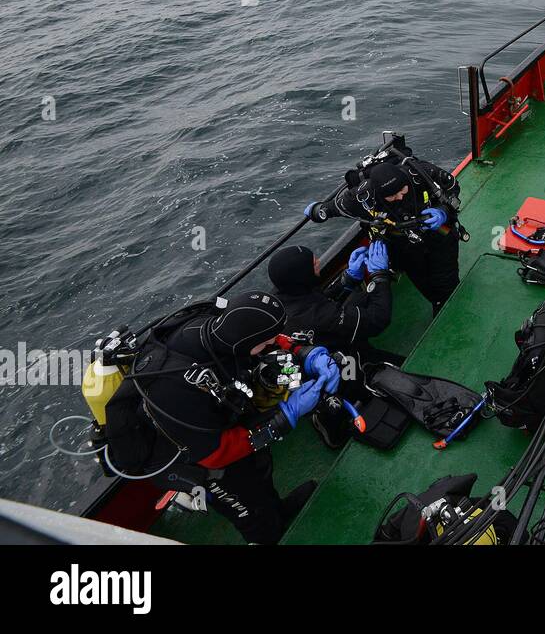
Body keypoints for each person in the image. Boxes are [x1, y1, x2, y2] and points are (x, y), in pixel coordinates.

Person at [115, 292, 339, 544]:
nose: (272, 344)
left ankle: (277, 512)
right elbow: (215, 454)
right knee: (246, 507)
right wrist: (288, 414)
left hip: (219, 419)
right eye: (266, 343)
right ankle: (266, 537)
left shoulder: (221, 326)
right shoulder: (174, 386)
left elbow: (269, 337)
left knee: (259, 472)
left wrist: (306, 353)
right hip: (194, 455)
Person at [306, 140, 464, 316]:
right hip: (402, 245)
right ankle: (437, 300)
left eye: (402, 190)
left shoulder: (420, 172)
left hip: (439, 231)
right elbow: (334, 207)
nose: (398, 197)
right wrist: (317, 211)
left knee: (446, 278)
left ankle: (446, 302)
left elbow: (452, 187)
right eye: (391, 196)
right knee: (422, 279)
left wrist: (443, 210)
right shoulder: (363, 196)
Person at [268, 240, 394, 447]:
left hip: (304, 365)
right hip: (337, 368)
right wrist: (380, 277)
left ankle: (328, 411)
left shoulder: (283, 298)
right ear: (302, 277)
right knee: (397, 375)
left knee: (357, 298)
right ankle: (334, 421)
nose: (318, 261)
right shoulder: (319, 315)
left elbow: (318, 300)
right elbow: (378, 319)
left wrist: (348, 279)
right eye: (313, 263)